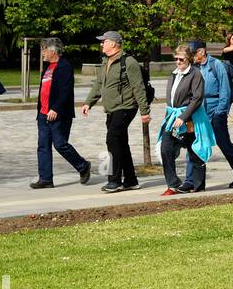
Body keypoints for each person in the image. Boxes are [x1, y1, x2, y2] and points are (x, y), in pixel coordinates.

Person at [82, 31, 151, 193]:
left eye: (104, 41)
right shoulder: (106, 61)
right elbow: (99, 84)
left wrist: (144, 111)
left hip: (126, 107)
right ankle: (131, 180)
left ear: (113, 43)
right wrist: (88, 102)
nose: (101, 44)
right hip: (112, 109)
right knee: (120, 142)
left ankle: (114, 181)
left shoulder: (129, 62)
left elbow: (138, 87)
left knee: (112, 139)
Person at [185, 39, 233, 190]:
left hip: (215, 111)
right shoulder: (193, 68)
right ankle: (190, 180)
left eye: (193, 53)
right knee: (194, 145)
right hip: (199, 113)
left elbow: (225, 90)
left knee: (224, 143)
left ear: (201, 51)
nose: (191, 57)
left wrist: (221, 111)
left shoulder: (216, 65)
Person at [30, 37, 92, 189]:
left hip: (59, 114)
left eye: (44, 50)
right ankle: (45, 179)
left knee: (60, 144)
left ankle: (83, 165)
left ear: (52, 51)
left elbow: (65, 91)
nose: (42, 53)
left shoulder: (64, 67)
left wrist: (55, 108)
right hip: (43, 114)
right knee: (43, 146)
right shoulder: (47, 67)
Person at [158, 47, 213, 195]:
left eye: (181, 59)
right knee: (166, 148)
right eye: (175, 59)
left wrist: (183, 117)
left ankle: (198, 184)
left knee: (194, 150)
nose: (178, 62)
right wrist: (169, 118)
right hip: (173, 119)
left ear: (188, 59)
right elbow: (171, 101)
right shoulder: (174, 74)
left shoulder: (195, 74)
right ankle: (173, 183)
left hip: (191, 119)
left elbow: (197, 99)